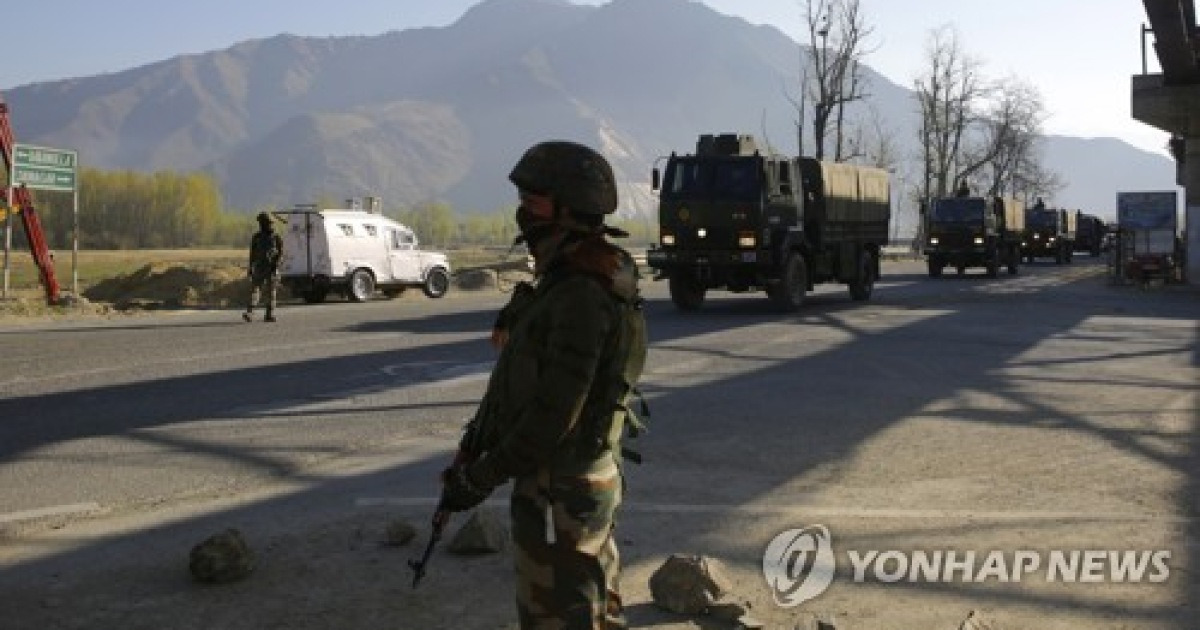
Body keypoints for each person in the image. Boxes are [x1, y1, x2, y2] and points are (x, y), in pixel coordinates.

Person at [439, 140, 648, 629]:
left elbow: (555, 415)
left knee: (569, 614)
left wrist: (481, 476)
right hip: (562, 485)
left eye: (533, 204)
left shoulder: (580, 294)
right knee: (584, 606)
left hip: (566, 487)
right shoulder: (563, 284)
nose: (522, 215)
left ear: (569, 211)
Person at [243, 212, 283, 322]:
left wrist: (276, 264)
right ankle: (250, 312)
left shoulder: (276, 236)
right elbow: (253, 253)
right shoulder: (256, 237)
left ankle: (269, 314)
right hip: (259, 267)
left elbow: (280, 252)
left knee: (271, 292)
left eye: (265, 223)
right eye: (262, 223)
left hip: (272, 268)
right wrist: (250, 267)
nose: (263, 225)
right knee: (255, 290)